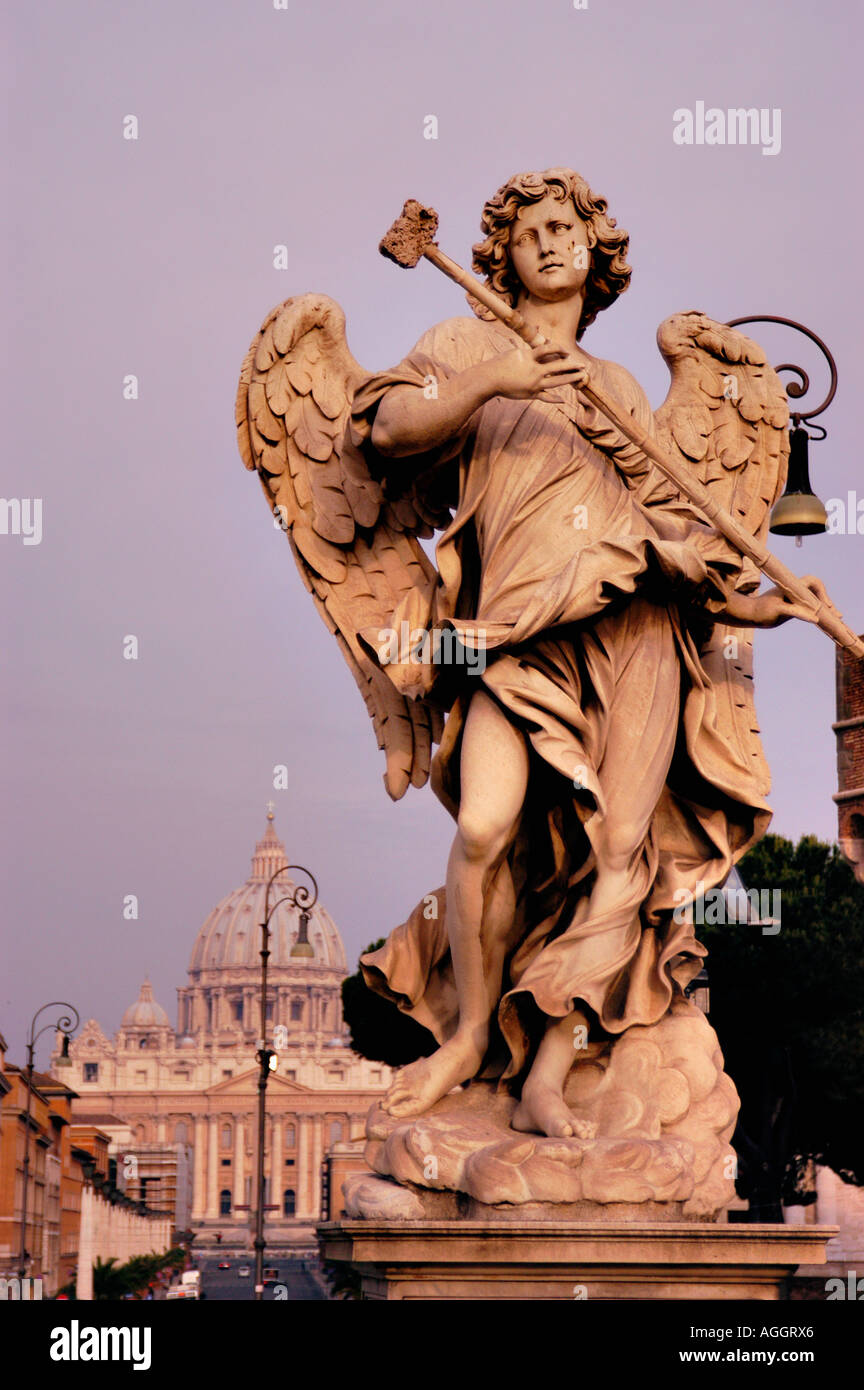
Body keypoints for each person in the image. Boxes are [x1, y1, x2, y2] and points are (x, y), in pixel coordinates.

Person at [357, 168, 827, 1138]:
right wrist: (500, 379)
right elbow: (387, 427)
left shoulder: (616, 389)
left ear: (595, 248)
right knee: (486, 828)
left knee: (624, 854)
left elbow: (676, 539)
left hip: (634, 636)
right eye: (531, 231)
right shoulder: (465, 340)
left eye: (568, 226)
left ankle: (553, 1062)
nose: (552, 242)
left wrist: (771, 601)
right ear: (503, 252)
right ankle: (473, 1034)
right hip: (511, 638)